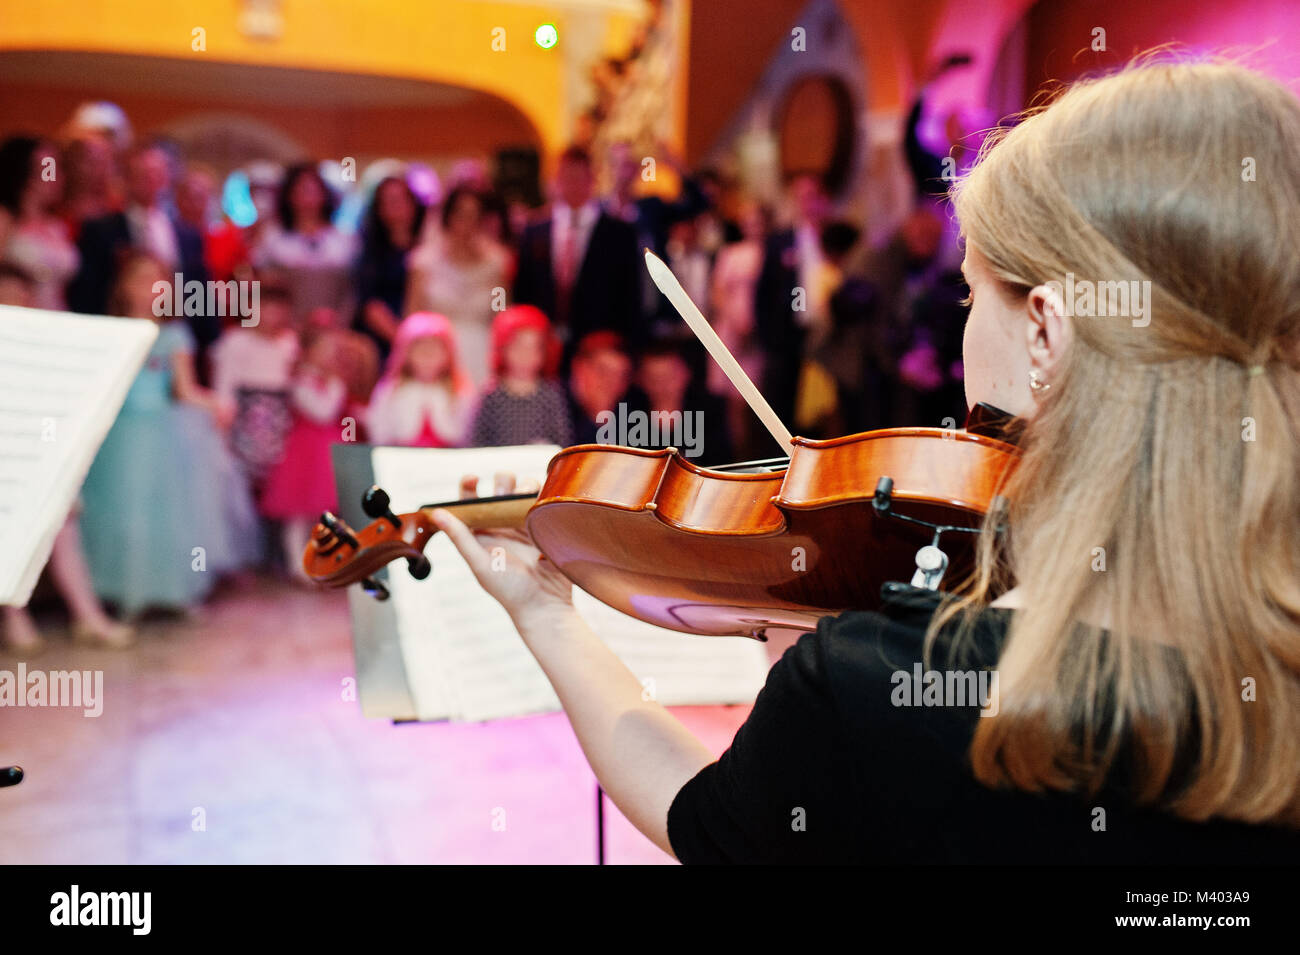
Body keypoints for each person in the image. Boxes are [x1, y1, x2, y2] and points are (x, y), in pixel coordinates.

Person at [428, 60, 1300, 862]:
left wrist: (544, 613)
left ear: (1045, 332)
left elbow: (706, 820)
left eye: (970, 288)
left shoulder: (887, 686)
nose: (963, 321)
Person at [79, 254, 258, 618]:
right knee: (123, 514)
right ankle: (126, 592)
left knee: (168, 517)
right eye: (140, 279)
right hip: (120, 435)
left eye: (156, 281)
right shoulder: (109, 332)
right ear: (123, 288)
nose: (148, 288)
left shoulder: (173, 335)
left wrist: (215, 404)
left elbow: (184, 390)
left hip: (161, 434)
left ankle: (174, 591)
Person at [0, 263, 135, 653]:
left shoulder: (44, 347)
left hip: (39, 454)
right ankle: (15, 618)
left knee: (63, 531)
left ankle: (88, 616)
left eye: (21, 294)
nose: (17, 301)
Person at [68, 142, 213, 354]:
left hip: (175, 342)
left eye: (156, 174)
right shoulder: (101, 230)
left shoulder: (188, 235)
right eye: (142, 175)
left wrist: (208, 341)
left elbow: (199, 291)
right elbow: (88, 292)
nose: (151, 182)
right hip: (115, 338)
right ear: (126, 179)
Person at [513, 146, 643, 363]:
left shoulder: (619, 234)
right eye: (566, 177)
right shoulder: (535, 231)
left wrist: (628, 350)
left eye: (579, 177)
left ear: (593, 179)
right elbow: (524, 292)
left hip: (599, 346)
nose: (572, 184)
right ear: (556, 180)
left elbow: (630, 298)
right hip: (543, 347)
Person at [259, 325, 348, 581]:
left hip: (326, 451)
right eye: (325, 349)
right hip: (304, 453)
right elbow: (323, 412)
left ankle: (318, 561)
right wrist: (334, 383)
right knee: (298, 514)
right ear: (308, 351)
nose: (330, 356)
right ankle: (297, 565)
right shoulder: (301, 382)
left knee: (319, 515)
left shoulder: (329, 381)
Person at [405, 185, 508, 387]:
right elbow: (413, 317)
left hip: (482, 355)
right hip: (435, 358)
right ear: (448, 217)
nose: (467, 224)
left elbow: (501, 315)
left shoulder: (496, 264)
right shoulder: (424, 263)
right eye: (461, 215)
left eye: (474, 216)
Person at [754, 171, 832, 426]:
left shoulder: (833, 238)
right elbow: (763, 293)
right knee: (784, 406)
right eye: (800, 197)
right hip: (788, 335)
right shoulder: (780, 241)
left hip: (826, 336)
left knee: (823, 409)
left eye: (811, 196)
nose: (806, 203)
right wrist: (768, 339)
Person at [254, 162, 356, 326]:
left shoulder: (343, 239)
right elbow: (262, 286)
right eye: (301, 190)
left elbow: (350, 291)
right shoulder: (273, 237)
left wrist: (338, 321)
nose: (308, 196)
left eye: (313, 190)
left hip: (333, 324)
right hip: (283, 326)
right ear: (289, 195)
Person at [366, 312, 474, 448]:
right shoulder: (390, 390)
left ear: (449, 354)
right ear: (405, 353)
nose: (427, 354)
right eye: (420, 348)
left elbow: (466, 433)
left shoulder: (459, 392)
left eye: (435, 348)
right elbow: (378, 429)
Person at [469, 305, 571, 448]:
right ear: (502, 349)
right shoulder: (491, 395)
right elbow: (477, 441)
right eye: (518, 346)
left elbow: (562, 441)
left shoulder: (550, 395)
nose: (525, 355)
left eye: (533, 348)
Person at [0, 136, 80, 311]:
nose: (60, 177)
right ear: (27, 173)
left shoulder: (57, 225)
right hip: (17, 317)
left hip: (58, 317)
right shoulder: (5, 220)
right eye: (51, 168)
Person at [354, 174, 426, 363]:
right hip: (383, 340)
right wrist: (402, 339)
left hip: (426, 335)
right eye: (387, 201)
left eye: (400, 199)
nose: (395, 207)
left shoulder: (430, 249)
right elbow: (369, 304)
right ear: (378, 209)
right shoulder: (371, 252)